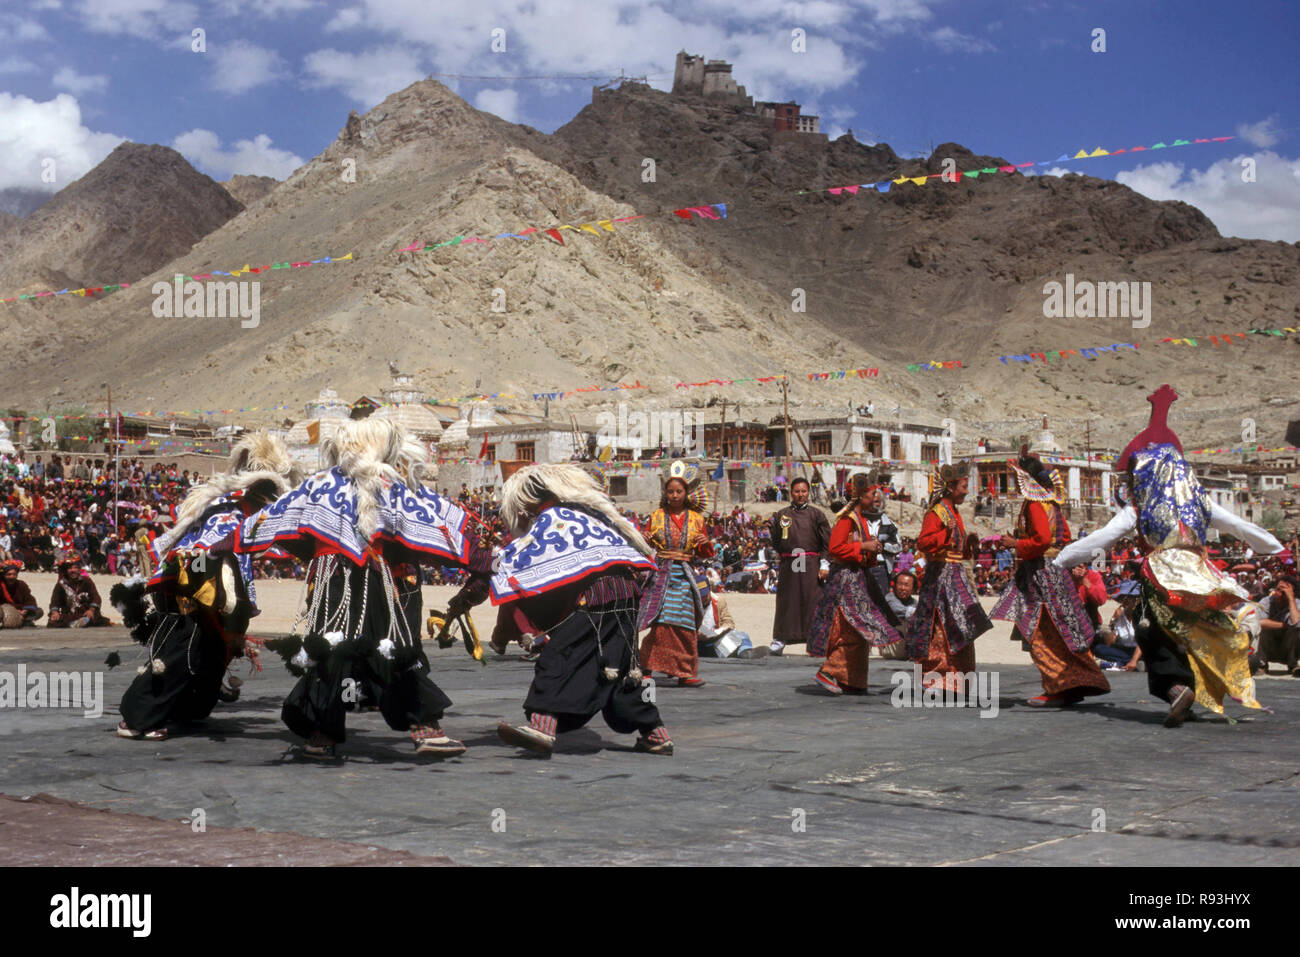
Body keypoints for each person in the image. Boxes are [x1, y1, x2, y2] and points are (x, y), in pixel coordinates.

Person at [239, 419, 493, 759]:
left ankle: (321, 736)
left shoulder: (318, 486)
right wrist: (480, 562)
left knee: (330, 653)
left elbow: (278, 525)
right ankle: (425, 730)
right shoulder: (394, 486)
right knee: (393, 651)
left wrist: (226, 542)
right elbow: (433, 530)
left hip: (334, 581)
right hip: (383, 583)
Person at [1056, 385, 1283, 727]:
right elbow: (1239, 526)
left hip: (1161, 577)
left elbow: (1103, 537)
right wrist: (1277, 548)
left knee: (1153, 634)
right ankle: (1211, 671)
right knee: (1192, 631)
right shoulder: (1201, 504)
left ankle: (1177, 690)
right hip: (1201, 577)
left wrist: (1062, 560)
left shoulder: (1139, 508)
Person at [115, 433, 302, 741]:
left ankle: (187, 707)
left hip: (203, 586)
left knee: (210, 652)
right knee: (182, 651)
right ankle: (137, 717)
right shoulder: (231, 506)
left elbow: (269, 542)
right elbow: (206, 548)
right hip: (196, 587)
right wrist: (202, 585)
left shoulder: (241, 506)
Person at [490, 464, 673, 756]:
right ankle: (656, 734)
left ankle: (542, 728)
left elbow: (524, 569)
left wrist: (491, 564)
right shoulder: (593, 515)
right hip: (626, 599)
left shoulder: (552, 518)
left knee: (558, 659)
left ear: (528, 500)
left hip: (594, 601)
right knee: (625, 671)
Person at [991, 452, 1109, 706]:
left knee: (1040, 634)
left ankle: (1058, 687)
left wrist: (1016, 543)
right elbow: (1062, 535)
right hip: (1056, 571)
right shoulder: (1050, 502)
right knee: (1063, 630)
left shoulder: (1034, 503)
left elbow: (1042, 540)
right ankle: (1074, 683)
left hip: (1039, 575)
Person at [808, 472, 904, 695]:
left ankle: (852, 679)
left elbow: (861, 549)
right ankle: (829, 671)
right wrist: (863, 547)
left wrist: (872, 549)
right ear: (861, 496)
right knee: (854, 629)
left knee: (860, 629)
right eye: (872, 494)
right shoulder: (847, 519)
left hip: (858, 577)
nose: (876, 497)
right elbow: (835, 548)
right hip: (846, 580)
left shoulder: (860, 519)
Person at [906, 464, 992, 691]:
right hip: (940, 578)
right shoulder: (937, 512)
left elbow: (957, 550)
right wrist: (945, 532)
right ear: (951, 487)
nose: (966, 491)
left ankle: (957, 680)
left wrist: (969, 544)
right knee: (940, 626)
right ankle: (937, 679)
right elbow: (924, 543)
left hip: (955, 575)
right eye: (963, 487)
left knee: (962, 624)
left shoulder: (954, 511)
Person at [638, 461, 714, 687]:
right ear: (665, 493)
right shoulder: (656, 516)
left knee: (686, 623)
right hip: (662, 575)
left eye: (678, 491)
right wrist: (644, 540)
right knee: (661, 622)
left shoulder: (698, 519)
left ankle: (684, 672)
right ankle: (646, 668)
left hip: (686, 575)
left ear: (686, 493)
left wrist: (704, 542)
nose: (674, 495)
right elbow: (645, 546)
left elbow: (704, 552)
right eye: (670, 491)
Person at [768, 477, 831, 656]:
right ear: (791, 493)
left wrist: (825, 564)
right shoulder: (781, 515)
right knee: (788, 600)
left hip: (811, 563)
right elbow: (776, 541)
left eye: (804, 491)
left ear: (808, 492)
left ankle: (815, 641)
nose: (801, 495)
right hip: (790, 563)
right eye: (797, 491)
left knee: (812, 599)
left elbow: (827, 541)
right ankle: (781, 638)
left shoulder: (817, 514)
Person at [1252, 577, 1299, 676]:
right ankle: (1262, 664)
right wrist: (1284, 625)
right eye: (1277, 589)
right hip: (1271, 645)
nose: (1279, 593)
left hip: (1288, 646)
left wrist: (1290, 598)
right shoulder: (1266, 601)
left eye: (1283, 591)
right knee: (1263, 629)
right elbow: (1258, 622)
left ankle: (1293, 665)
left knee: (1296, 630)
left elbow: (1296, 623)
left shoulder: (1297, 603)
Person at [47, 554, 110, 627]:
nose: (73, 570)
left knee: (92, 619)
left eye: (75, 567)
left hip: (85, 613)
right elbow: (54, 601)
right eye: (70, 568)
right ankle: (75, 624)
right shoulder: (61, 584)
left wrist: (91, 610)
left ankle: (78, 623)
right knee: (52, 621)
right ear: (66, 570)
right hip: (68, 614)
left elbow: (96, 597)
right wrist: (55, 612)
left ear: (79, 569)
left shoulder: (86, 581)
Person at [1094, 579, 1143, 671]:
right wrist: (1113, 620)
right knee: (1099, 648)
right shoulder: (1120, 615)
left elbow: (1142, 642)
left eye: (1128, 598)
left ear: (1135, 600)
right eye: (1122, 598)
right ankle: (1128, 663)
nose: (1125, 601)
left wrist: (1134, 660)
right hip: (1125, 651)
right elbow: (1110, 642)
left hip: (1140, 650)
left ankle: (1130, 662)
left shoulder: (1140, 616)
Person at [879, 570, 918, 659]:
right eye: (899, 584)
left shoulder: (914, 602)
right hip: (889, 650)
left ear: (913, 588)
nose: (902, 588)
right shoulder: (889, 599)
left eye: (906, 585)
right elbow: (904, 612)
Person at [0, 560, 43, 627]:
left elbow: (29, 599)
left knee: (39, 611)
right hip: (6, 611)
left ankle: (24, 620)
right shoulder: (1, 586)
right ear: (3, 575)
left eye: (14, 574)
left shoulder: (21, 584)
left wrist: (25, 611)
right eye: (9, 574)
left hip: (22, 611)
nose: (12, 577)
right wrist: (15, 611)